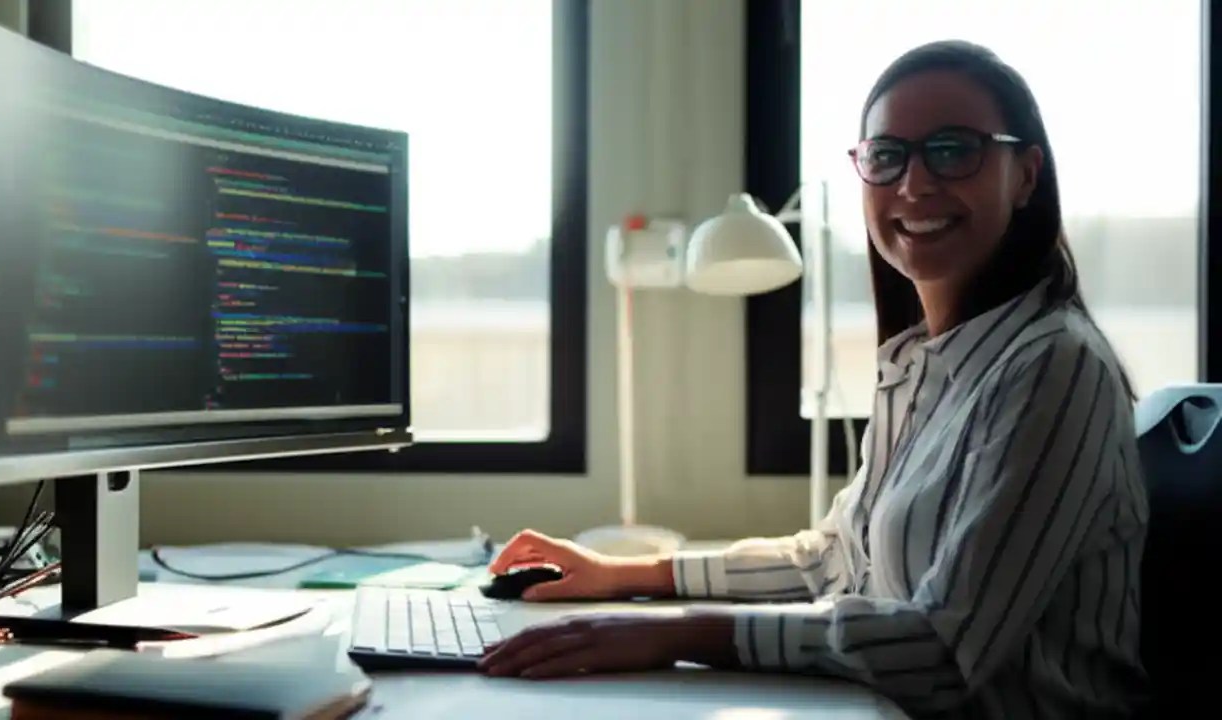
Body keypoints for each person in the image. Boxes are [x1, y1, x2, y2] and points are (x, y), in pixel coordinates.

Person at [476, 39, 1149, 719]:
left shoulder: (1054, 369)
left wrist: (680, 633)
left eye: (953, 150)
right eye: (887, 155)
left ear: (1026, 175)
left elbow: (943, 650)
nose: (914, 184)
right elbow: (828, 563)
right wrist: (621, 577)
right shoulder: (923, 366)